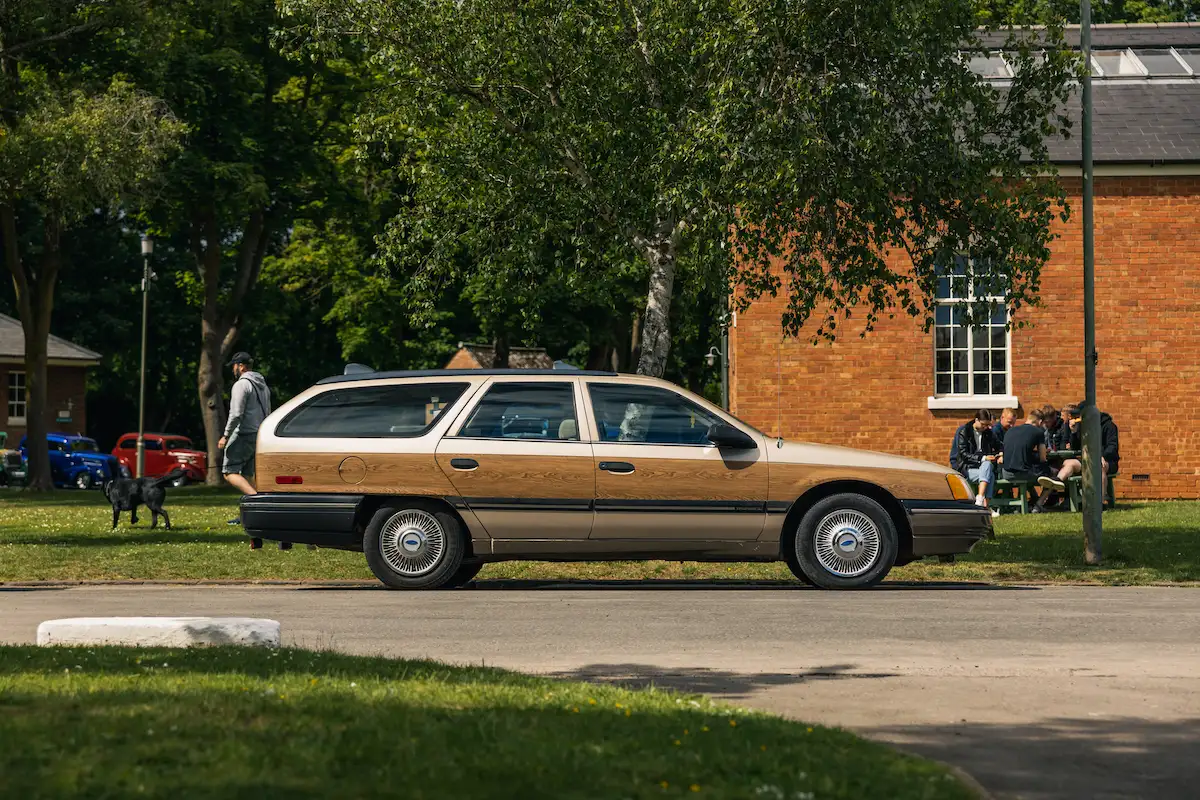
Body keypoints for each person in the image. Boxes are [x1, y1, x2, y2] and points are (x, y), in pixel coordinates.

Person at [218, 352, 284, 550]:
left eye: (234, 366)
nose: (233, 370)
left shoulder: (241, 385)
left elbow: (236, 413)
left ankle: (259, 505)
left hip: (244, 433)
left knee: (229, 473)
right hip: (259, 434)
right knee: (247, 475)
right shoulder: (262, 385)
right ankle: (262, 533)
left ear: (241, 366)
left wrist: (225, 436)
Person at [1002, 408, 1052, 511]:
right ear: (1040, 422)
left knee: (1029, 469)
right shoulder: (1038, 432)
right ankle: (1038, 505)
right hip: (1022, 473)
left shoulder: (1010, 430)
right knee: (1052, 473)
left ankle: (1033, 501)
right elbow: (1043, 458)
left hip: (1006, 473)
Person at [952, 409, 1001, 515]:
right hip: (966, 468)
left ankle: (980, 501)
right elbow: (963, 454)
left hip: (982, 468)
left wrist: (1001, 454)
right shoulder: (964, 431)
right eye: (984, 424)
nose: (986, 427)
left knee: (987, 467)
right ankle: (984, 506)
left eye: (988, 425)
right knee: (989, 474)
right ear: (976, 420)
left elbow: (1000, 445)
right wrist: (983, 458)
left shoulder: (988, 433)